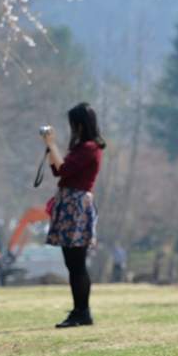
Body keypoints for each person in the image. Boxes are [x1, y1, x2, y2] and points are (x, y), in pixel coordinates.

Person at [42, 102, 106, 328]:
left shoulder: (90, 148)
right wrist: (50, 149)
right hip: (69, 203)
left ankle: (82, 311)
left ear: (80, 124)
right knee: (72, 263)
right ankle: (80, 310)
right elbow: (58, 170)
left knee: (77, 263)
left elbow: (66, 170)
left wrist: (52, 145)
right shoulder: (81, 148)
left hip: (76, 205)